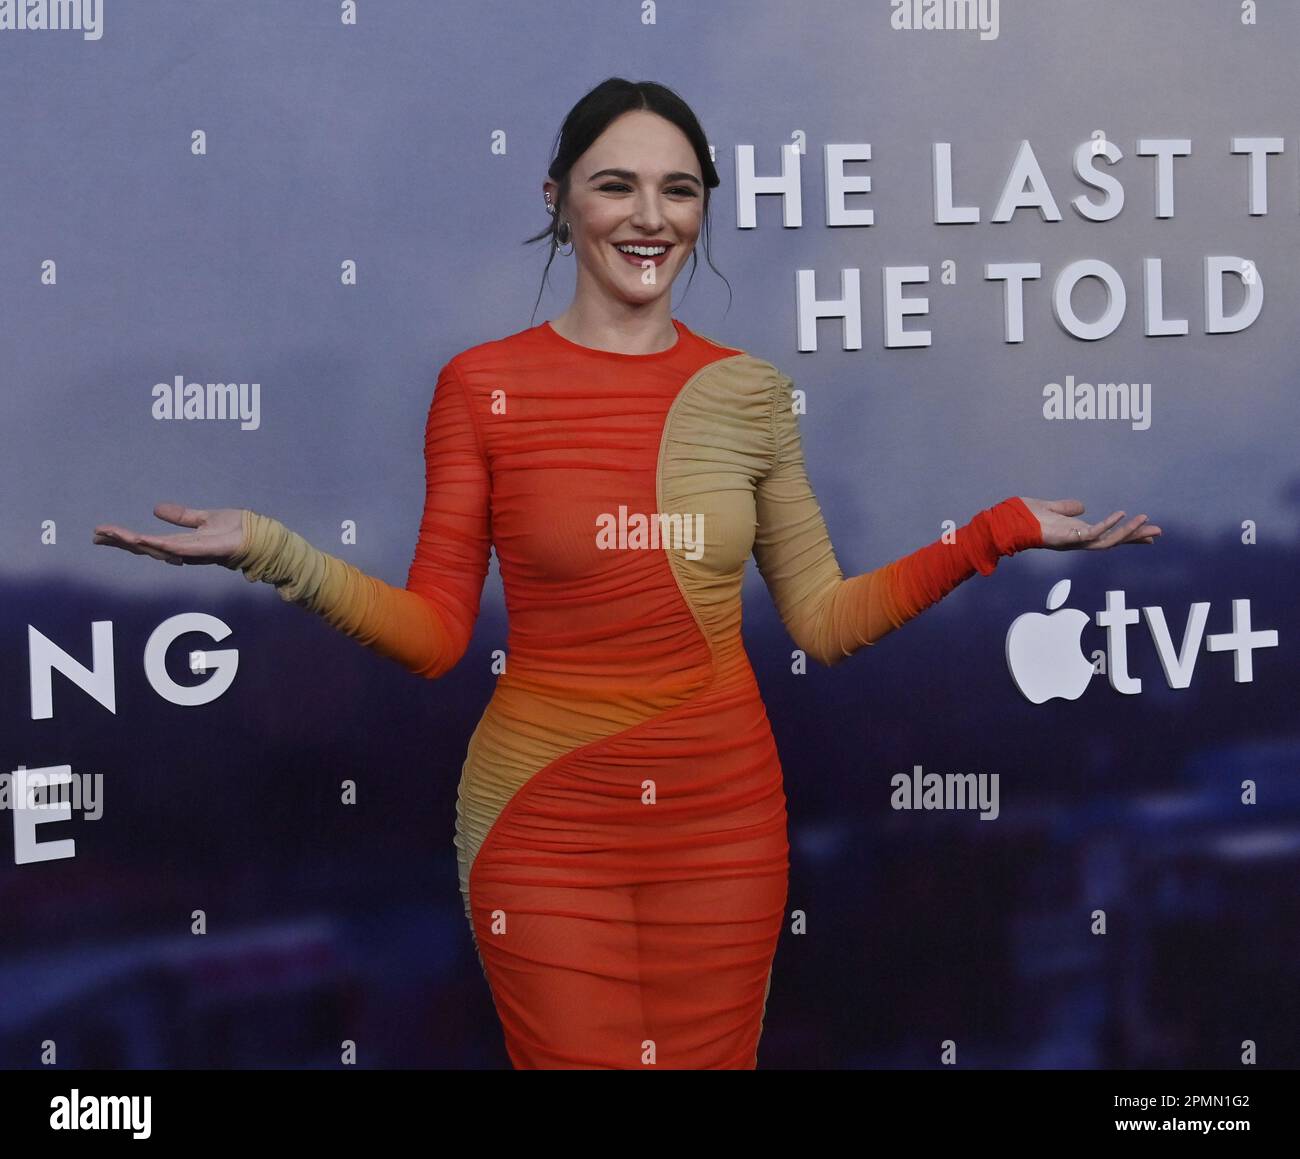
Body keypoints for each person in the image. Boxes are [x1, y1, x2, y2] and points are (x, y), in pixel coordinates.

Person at [94, 78, 1161, 1069]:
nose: (649, 216)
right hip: (541, 822)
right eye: (616, 185)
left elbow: (826, 622)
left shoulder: (751, 395)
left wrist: (995, 531)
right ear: (557, 200)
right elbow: (434, 633)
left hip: (725, 822)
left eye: (678, 189)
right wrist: (268, 549)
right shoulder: (479, 388)